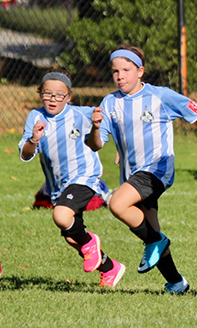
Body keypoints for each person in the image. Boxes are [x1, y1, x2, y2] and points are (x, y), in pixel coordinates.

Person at [85, 45, 197, 294]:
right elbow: (95, 144)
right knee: (151, 230)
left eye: (126, 70)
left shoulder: (160, 96)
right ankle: (176, 282)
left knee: (117, 204)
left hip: (157, 169)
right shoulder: (109, 103)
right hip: (132, 174)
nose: (120, 76)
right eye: (115, 71)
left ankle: (157, 242)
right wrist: (95, 128)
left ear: (140, 71)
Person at [19, 70, 125, 288]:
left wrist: (121, 149)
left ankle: (91, 242)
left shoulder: (82, 114)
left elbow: (115, 124)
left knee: (61, 215)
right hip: (58, 186)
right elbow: (25, 154)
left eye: (59, 95)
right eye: (47, 94)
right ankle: (110, 268)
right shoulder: (35, 117)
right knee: (71, 237)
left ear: (68, 97)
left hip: (85, 177)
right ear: (40, 94)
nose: (53, 99)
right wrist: (34, 138)